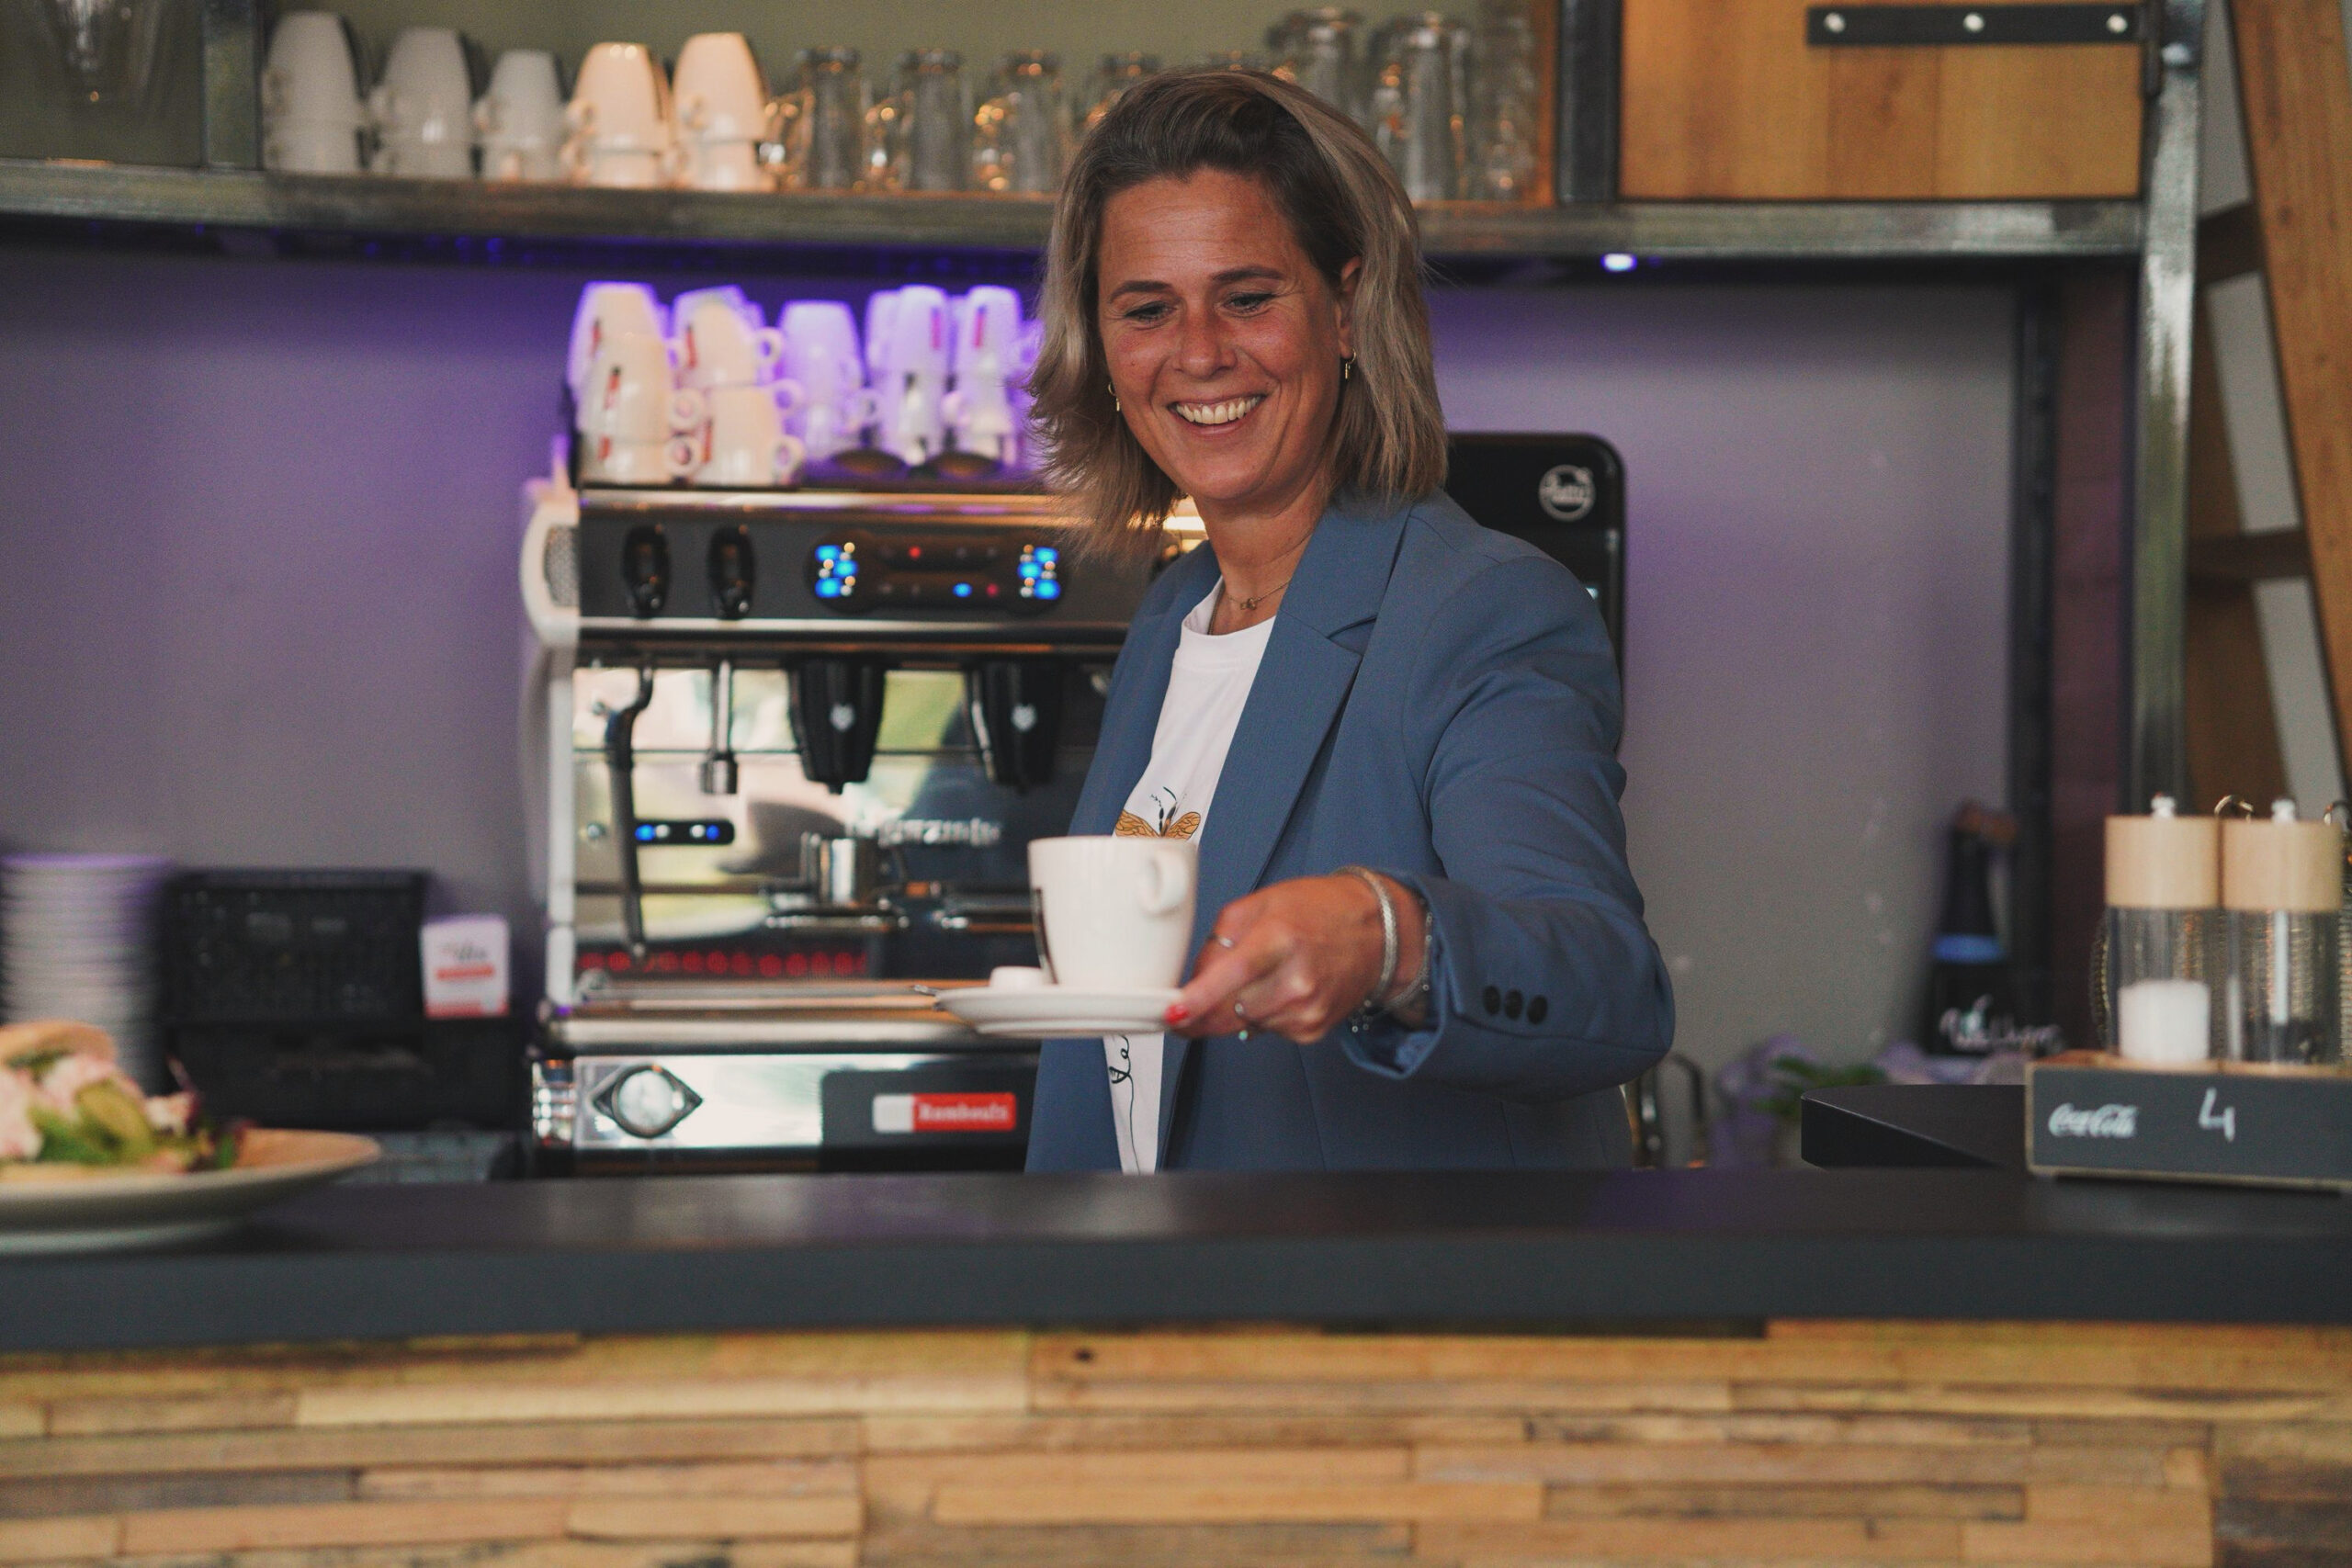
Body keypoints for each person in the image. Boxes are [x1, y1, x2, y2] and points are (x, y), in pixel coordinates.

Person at [1022, 67, 1671, 1172]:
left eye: (1247, 296)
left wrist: (1391, 939)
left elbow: (1608, 991)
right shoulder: (1175, 612)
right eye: (1147, 308)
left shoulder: (1480, 608)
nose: (1197, 353)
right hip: (1147, 1265)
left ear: (1346, 311)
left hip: (1362, 1279)